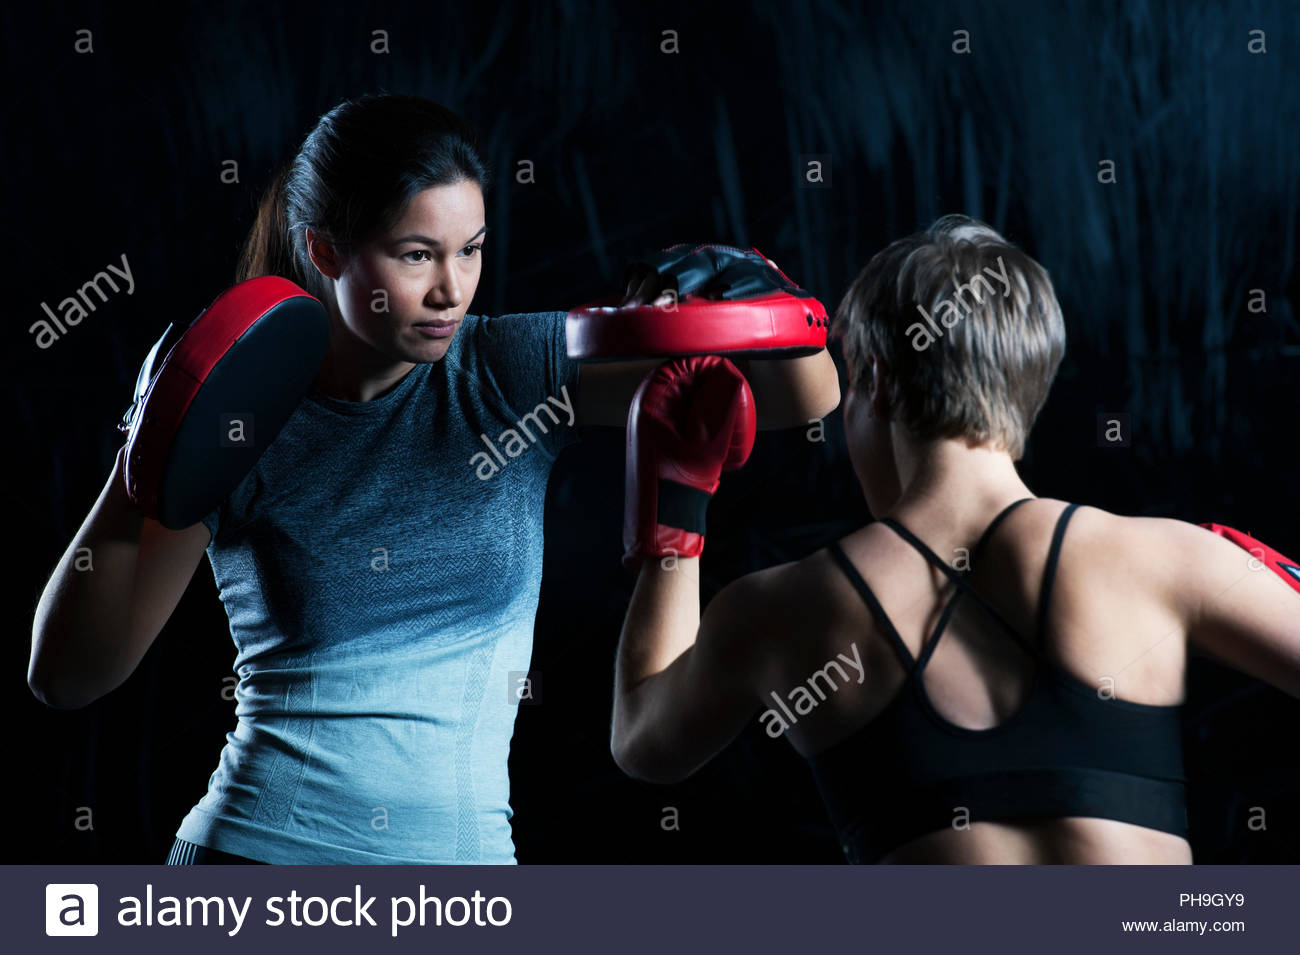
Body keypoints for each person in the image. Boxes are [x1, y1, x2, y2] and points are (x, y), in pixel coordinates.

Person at [27, 92, 841, 864]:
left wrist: (762, 301)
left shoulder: (506, 369)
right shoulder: (243, 414)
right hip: (259, 863)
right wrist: (142, 455)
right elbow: (68, 675)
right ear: (325, 250)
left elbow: (799, 400)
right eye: (417, 255)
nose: (451, 289)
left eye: (472, 250)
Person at [609, 214, 1300, 864]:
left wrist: (678, 503)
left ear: (875, 377)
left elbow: (644, 742)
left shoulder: (783, 610)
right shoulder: (1168, 560)